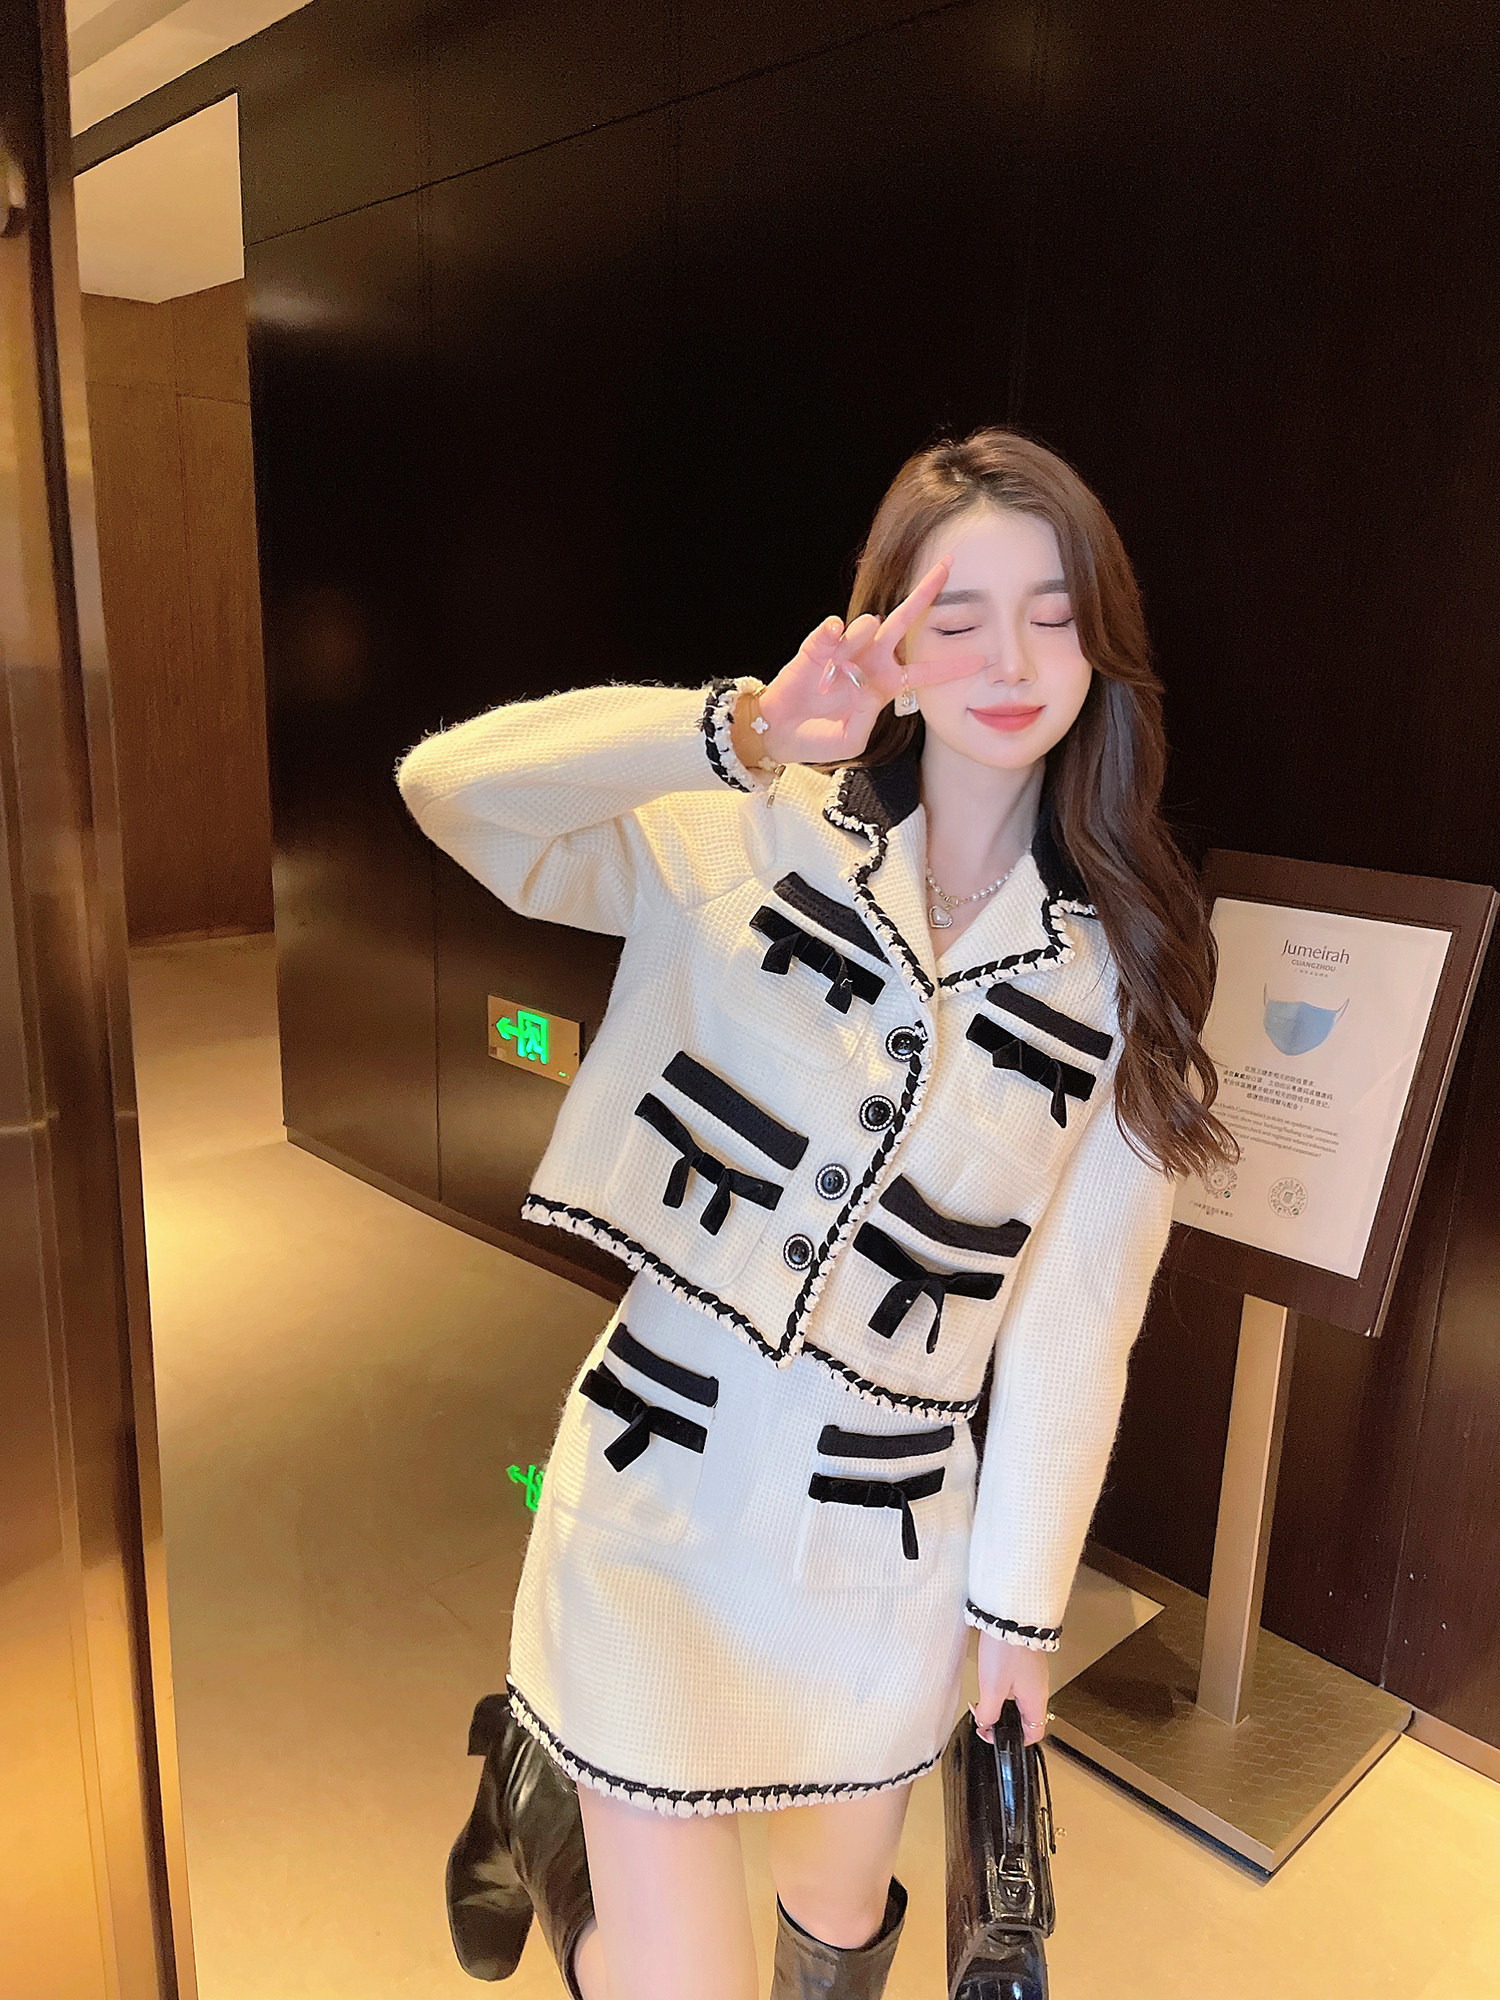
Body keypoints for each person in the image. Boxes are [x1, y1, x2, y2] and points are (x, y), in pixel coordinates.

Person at [397, 428, 1233, 2000]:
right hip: (656, 1504)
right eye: (957, 614)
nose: (1009, 661)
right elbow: (449, 792)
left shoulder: (1124, 970)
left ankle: (531, 1777)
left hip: (878, 1552)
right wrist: (743, 731)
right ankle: (555, 1798)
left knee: (837, 1938)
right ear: (885, 628)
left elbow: (1077, 1322)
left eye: (1054, 616)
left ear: (1101, 649)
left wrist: (1019, 1616)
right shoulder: (746, 829)